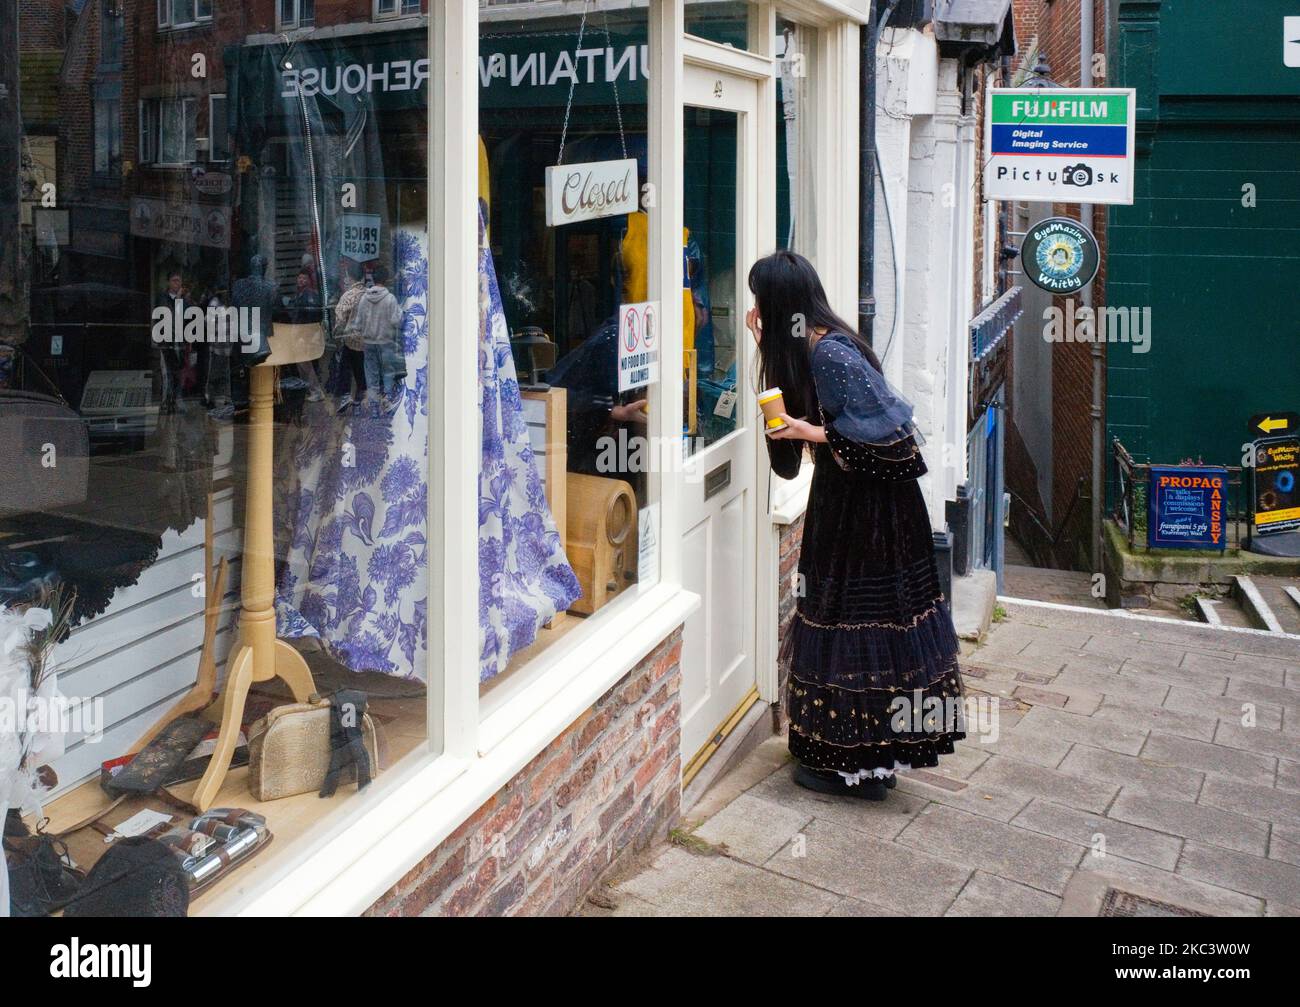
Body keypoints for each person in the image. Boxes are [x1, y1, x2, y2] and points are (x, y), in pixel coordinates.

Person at [749, 250, 966, 801]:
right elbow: (801, 446)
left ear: (779, 306)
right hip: (848, 504)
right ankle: (855, 764)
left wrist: (806, 428)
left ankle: (859, 770)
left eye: (760, 301)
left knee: (859, 626)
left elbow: (895, 442)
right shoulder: (812, 347)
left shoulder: (832, 355)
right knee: (849, 624)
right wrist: (766, 357)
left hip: (873, 518)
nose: (755, 309)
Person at [351, 263, 405, 411]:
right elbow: (396, 320)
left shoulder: (364, 298)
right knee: (388, 369)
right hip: (386, 340)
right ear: (386, 280)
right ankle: (387, 398)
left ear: (372, 280)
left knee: (371, 371)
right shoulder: (390, 299)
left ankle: (373, 401)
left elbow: (358, 323)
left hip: (368, 341)